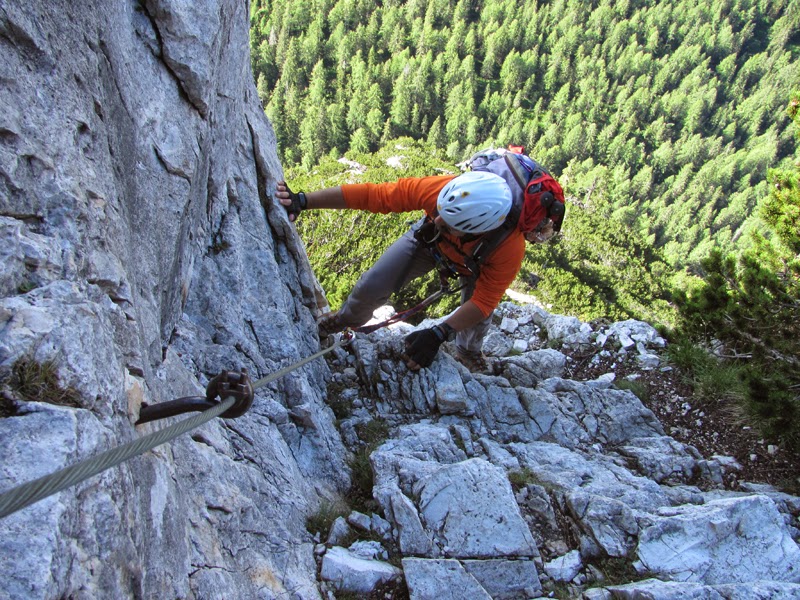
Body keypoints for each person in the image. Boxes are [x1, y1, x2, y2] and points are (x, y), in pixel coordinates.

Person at [276, 172, 526, 372]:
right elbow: (375, 195)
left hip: (477, 266)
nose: (437, 220)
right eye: (439, 213)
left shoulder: (508, 248)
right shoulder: (441, 191)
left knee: (477, 316)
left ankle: (469, 351)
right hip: (430, 242)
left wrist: (439, 333)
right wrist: (304, 200)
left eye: (449, 224)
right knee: (372, 285)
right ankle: (345, 319)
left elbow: (483, 301)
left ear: (477, 230)